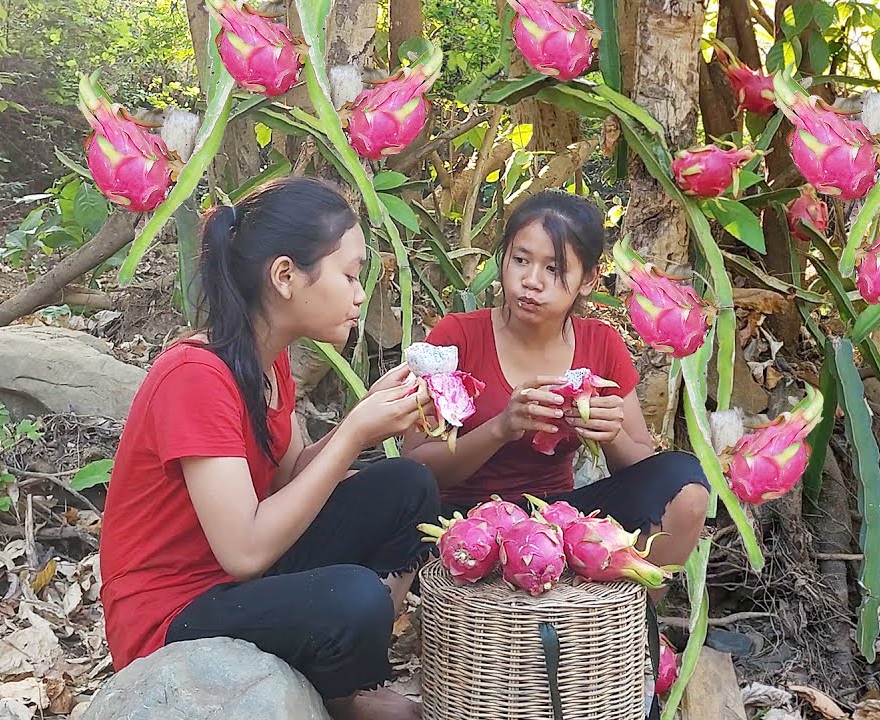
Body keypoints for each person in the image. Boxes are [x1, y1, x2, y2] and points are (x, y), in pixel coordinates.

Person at [99, 176, 439, 720]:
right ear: (285, 276)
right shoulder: (194, 376)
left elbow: (290, 475)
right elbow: (245, 551)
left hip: (240, 582)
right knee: (355, 598)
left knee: (408, 485)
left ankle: (348, 677)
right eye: (350, 275)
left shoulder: (268, 360)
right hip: (172, 614)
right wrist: (353, 435)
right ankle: (343, 695)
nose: (359, 295)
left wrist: (365, 418)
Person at [403, 190, 710, 604]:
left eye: (554, 268)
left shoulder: (601, 343)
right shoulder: (458, 336)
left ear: (589, 280)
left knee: (685, 484)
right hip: (464, 520)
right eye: (520, 260)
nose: (532, 281)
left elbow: (641, 466)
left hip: (559, 516)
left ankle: (640, 628)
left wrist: (610, 435)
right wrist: (500, 428)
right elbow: (416, 467)